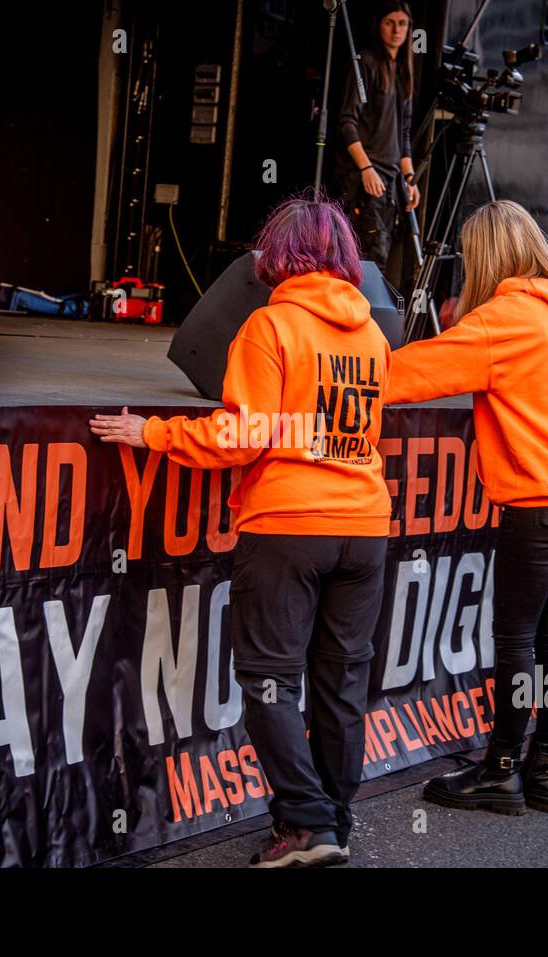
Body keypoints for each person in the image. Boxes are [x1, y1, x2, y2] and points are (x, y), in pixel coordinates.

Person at [91, 197, 390, 868]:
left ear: (277, 255)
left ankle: (307, 824)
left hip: (289, 521)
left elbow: (242, 434)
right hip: (365, 521)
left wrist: (153, 433)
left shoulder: (270, 324)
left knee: (270, 680)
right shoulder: (371, 333)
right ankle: (331, 823)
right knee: (341, 682)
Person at [385, 200, 548, 814]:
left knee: (516, 642)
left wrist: (330, 370)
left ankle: (500, 769)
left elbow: (405, 375)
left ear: (486, 256)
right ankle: (545, 770)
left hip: (539, 502)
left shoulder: (506, 319)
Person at [336, 0, 419, 272]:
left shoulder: (403, 72)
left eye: (402, 23)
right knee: (365, 258)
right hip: (366, 178)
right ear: (379, 26)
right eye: (389, 22)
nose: (397, 30)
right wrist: (366, 168)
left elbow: (404, 133)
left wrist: (409, 179)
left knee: (380, 258)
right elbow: (347, 121)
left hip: (390, 179)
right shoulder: (366, 62)